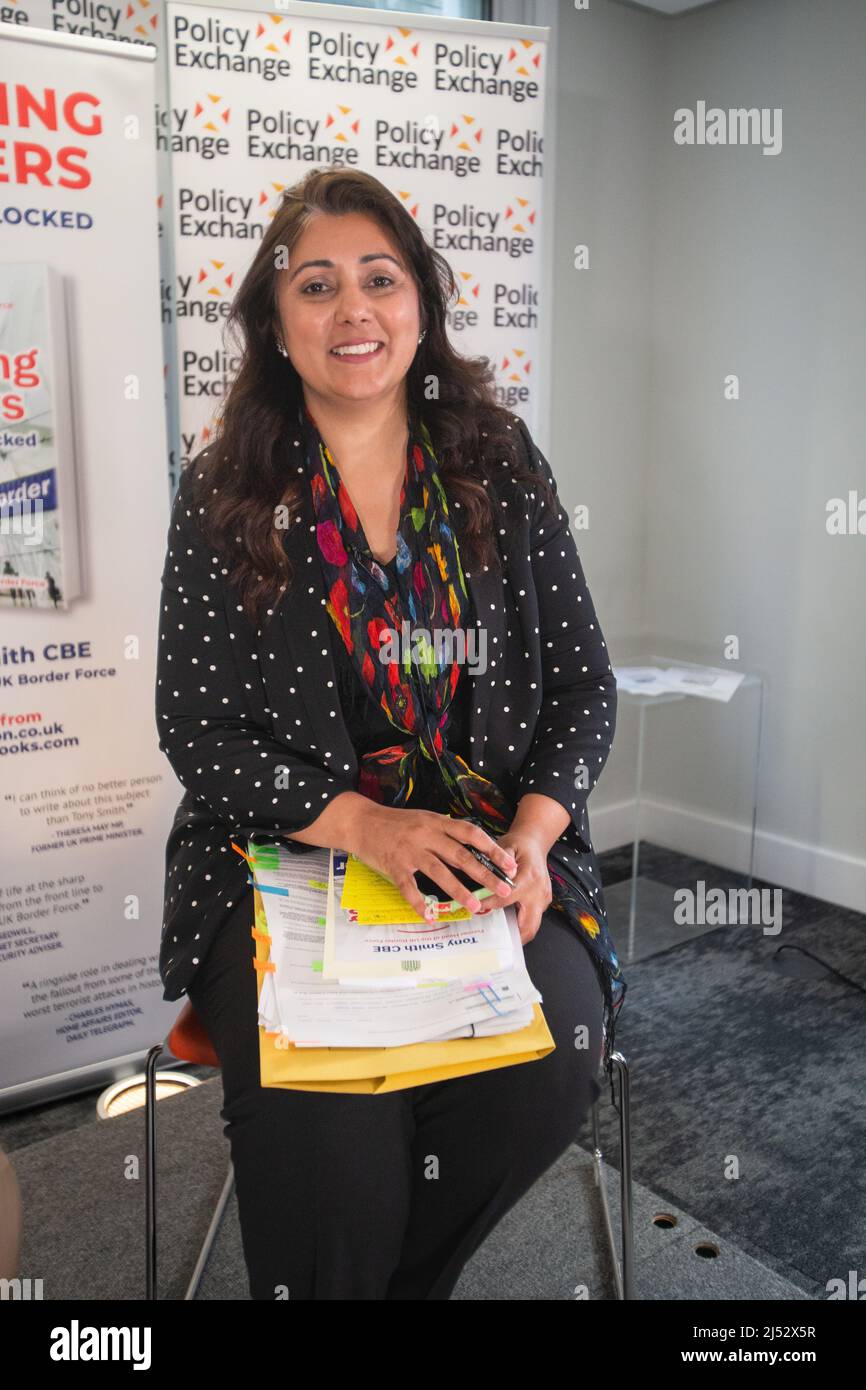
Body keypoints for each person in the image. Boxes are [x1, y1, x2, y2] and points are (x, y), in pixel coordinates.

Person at [155, 168, 625, 1300]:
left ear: (421, 299)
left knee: (543, 1067)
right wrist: (365, 824)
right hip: (280, 853)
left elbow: (581, 687)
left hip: (488, 855)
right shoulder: (226, 486)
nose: (352, 309)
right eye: (314, 285)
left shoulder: (498, 462)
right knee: (328, 1149)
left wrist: (529, 836)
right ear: (275, 322)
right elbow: (199, 728)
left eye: (380, 277)